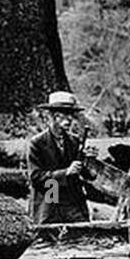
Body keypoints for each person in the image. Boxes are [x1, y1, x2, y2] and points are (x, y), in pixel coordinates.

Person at [27, 91, 91, 224]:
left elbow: (86, 175)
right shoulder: (37, 143)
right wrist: (66, 172)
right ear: (54, 116)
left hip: (73, 205)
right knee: (49, 239)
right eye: (65, 115)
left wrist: (88, 161)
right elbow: (36, 178)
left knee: (83, 238)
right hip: (50, 200)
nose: (70, 120)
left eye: (71, 115)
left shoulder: (74, 141)